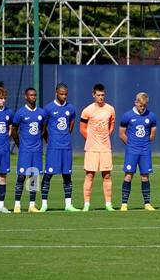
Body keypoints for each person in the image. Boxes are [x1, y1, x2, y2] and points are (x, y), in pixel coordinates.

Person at [41, 83, 78, 212]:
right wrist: (50, 140)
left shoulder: (71, 108)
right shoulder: (48, 108)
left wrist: (66, 136)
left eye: (66, 94)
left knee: (67, 175)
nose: (64, 96)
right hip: (53, 147)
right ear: (56, 92)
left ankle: (68, 204)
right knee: (48, 175)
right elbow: (43, 128)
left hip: (66, 147)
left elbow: (72, 124)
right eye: (61, 94)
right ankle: (44, 204)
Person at [79, 83, 116, 211]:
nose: (101, 97)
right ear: (93, 95)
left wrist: (105, 137)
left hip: (105, 148)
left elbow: (111, 125)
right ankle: (87, 204)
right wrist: (91, 140)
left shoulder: (110, 109)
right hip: (91, 149)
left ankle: (108, 204)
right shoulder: (87, 110)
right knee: (89, 175)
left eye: (103, 95)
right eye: (98, 95)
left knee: (107, 175)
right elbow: (82, 129)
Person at [118, 92, 157, 211]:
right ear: (136, 103)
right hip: (132, 151)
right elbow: (121, 134)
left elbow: (152, 135)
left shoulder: (151, 116)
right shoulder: (127, 116)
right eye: (140, 106)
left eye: (144, 106)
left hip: (145, 150)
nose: (142, 108)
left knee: (145, 176)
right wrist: (131, 145)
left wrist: (143, 144)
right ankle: (124, 204)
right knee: (128, 175)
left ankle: (147, 203)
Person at [10, 87, 46, 213]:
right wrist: (20, 144)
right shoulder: (20, 113)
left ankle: (31, 205)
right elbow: (13, 130)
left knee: (34, 176)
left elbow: (43, 128)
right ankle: (17, 205)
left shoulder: (41, 112)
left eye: (35, 95)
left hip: (36, 151)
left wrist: (40, 140)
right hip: (25, 151)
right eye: (31, 95)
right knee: (21, 176)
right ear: (26, 97)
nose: (33, 97)